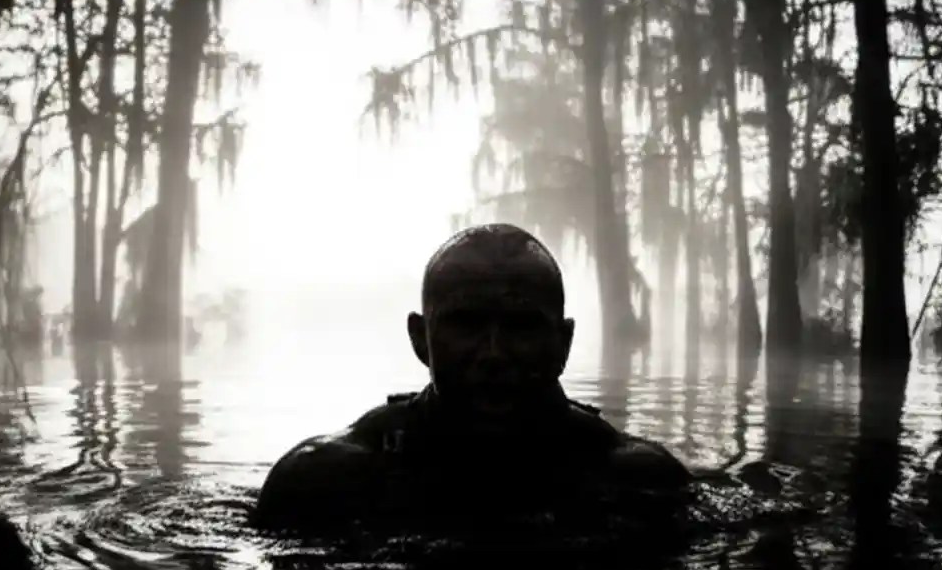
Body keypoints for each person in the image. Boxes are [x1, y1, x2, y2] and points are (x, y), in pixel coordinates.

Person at [250, 223, 691, 536]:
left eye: (520, 325)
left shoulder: (637, 480)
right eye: (466, 324)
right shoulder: (324, 478)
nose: (494, 354)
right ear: (420, 339)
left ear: (563, 343)